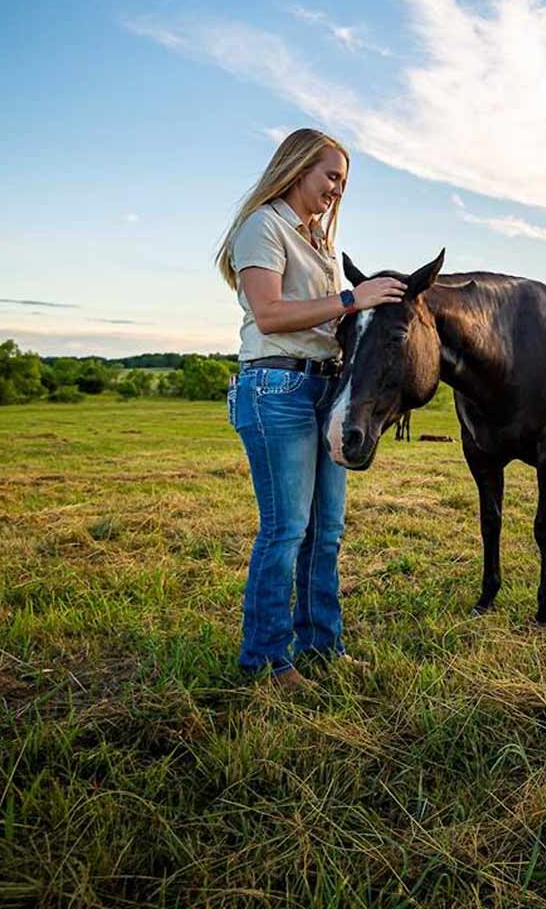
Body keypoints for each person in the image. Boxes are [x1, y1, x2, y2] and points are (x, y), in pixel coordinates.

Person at [215, 129, 406, 688]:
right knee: (285, 531)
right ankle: (267, 661)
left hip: (324, 390)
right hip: (277, 389)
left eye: (343, 184)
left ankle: (322, 645)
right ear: (298, 168)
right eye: (331, 177)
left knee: (327, 531)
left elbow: (328, 323)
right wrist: (353, 297)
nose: (336, 191)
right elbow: (271, 314)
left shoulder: (319, 241)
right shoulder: (263, 227)